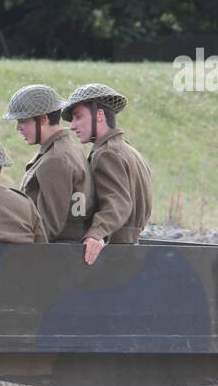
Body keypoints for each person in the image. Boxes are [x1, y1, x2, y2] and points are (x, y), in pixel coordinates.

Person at [61, 83, 153, 265]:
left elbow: (118, 202)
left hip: (112, 254)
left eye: (78, 117)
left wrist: (96, 234)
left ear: (99, 115)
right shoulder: (129, 150)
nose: (72, 126)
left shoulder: (107, 154)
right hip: (129, 249)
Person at [2, 84, 91, 242]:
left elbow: (47, 226)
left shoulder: (56, 159)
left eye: (23, 120)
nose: (18, 128)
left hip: (54, 255)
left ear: (43, 119)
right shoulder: (66, 150)